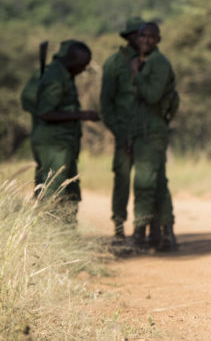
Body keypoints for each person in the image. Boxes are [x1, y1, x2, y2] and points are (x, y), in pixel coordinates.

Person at [26, 40, 101, 219]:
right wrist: (81, 115)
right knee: (53, 191)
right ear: (70, 59)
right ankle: (47, 236)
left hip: (62, 141)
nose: (83, 69)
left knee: (69, 190)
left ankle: (66, 234)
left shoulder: (63, 74)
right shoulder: (55, 77)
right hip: (53, 143)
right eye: (81, 65)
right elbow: (45, 113)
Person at [129, 21, 179, 252]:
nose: (146, 40)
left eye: (151, 36)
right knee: (158, 183)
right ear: (137, 38)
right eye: (143, 36)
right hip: (144, 131)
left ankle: (140, 235)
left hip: (153, 132)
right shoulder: (146, 61)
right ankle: (165, 234)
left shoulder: (158, 63)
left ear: (158, 40)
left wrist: (137, 75)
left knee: (144, 183)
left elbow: (151, 96)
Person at [100, 16, 145, 242]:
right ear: (129, 38)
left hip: (148, 132)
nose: (143, 39)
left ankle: (146, 228)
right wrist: (120, 133)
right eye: (139, 34)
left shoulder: (153, 61)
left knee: (149, 180)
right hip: (125, 132)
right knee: (123, 179)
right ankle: (118, 227)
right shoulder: (115, 63)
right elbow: (106, 105)